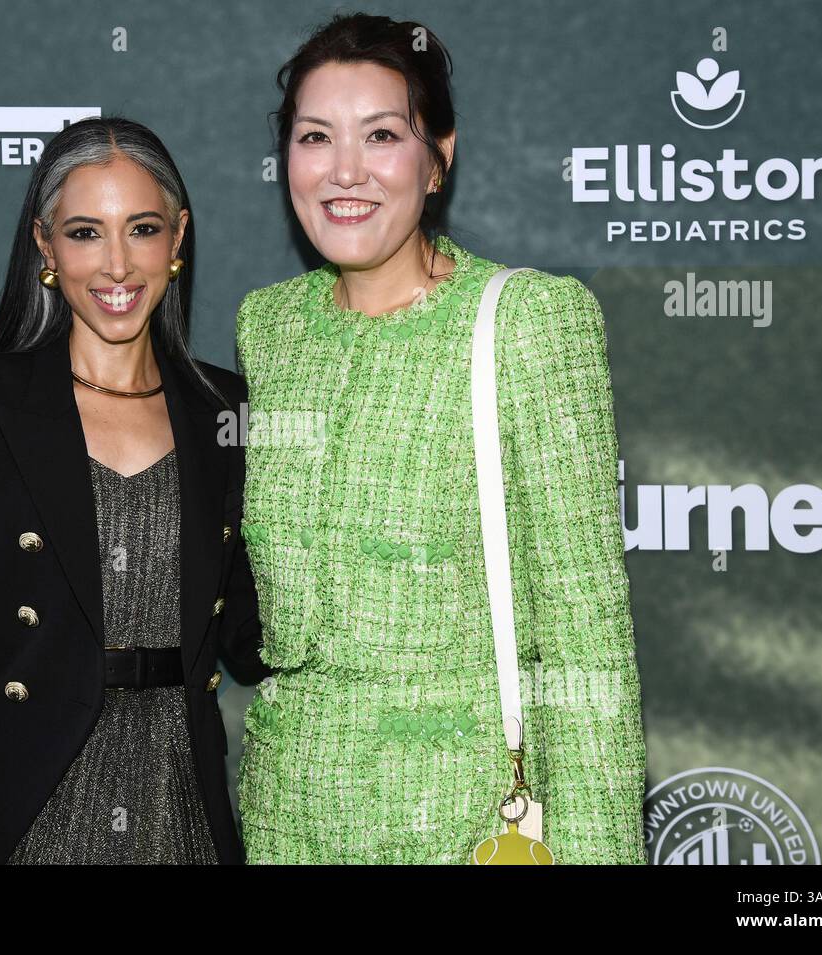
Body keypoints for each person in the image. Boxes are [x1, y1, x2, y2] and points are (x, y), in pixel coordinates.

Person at [234, 13, 649, 863]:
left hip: (467, 825)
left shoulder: (528, 320)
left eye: (382, 135)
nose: (345, 170)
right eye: (316, 137)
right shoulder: (269, 328)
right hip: (286, 821)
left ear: (439, 157)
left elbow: (586, 639)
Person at [0, 116, 271, 865]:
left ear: (178, 239)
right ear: (45, 247)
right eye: (86, 232)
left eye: (142, 228)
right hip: (24, 811)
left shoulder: (233, 415)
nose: (116, 265)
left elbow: (259, 635)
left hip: (178, 811)